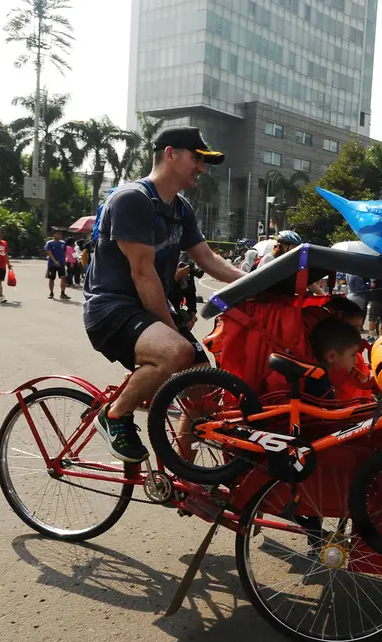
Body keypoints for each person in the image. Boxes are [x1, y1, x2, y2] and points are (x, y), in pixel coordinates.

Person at [83, 125, 244, 462]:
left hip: (148, 310)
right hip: (112, 309)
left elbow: (208, 259)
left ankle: (187, 473)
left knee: (204, 391)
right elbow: (143, 275)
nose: (201, 167)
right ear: (170, 154)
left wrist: (259, 280)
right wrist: (174, 333)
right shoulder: (133, 200)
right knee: (175, 353)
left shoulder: (180, 208)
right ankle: (114, 415)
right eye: (197, 159)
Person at [303, 317, 364, 400]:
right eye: (353, 355)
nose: (356, 360)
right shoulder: (321, 385)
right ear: (331, 356)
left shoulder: (319, 377)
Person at [46, 230, 70, 299]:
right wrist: (55, 261)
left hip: (61, 263)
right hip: (52, 264)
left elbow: (64, 253)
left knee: (63, 278)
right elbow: (49, 253)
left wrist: (64, 261)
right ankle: (51, 293)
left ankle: (62, 293)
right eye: (58, 234)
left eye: (61, 234)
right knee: (51, 279)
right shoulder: (50, 243)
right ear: (54, 235)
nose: (60, 235)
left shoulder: (63, 243)